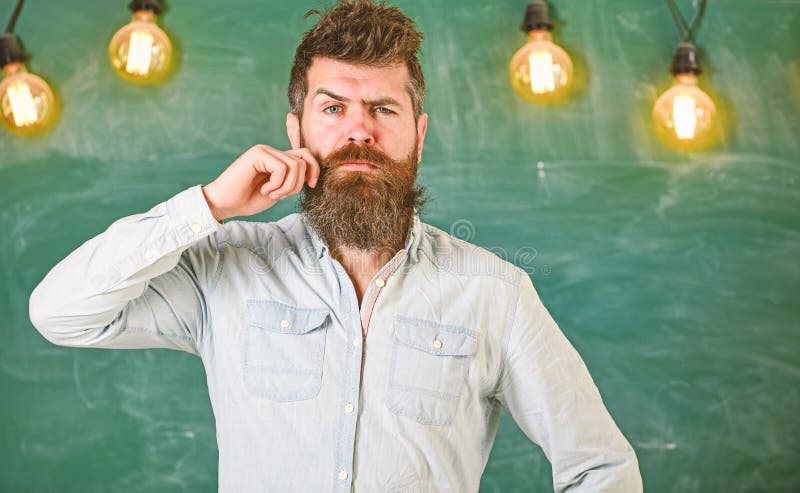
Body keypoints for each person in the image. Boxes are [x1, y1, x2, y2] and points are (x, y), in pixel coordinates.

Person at [28, 1, 642, 491]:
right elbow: (60, 312)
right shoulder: (225, 269)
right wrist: (209, 205)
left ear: (418, 135)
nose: (359, 130)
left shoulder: (496, 296)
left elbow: (600, 469)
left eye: (382, 108)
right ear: (295, 130)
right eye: (333, 107)